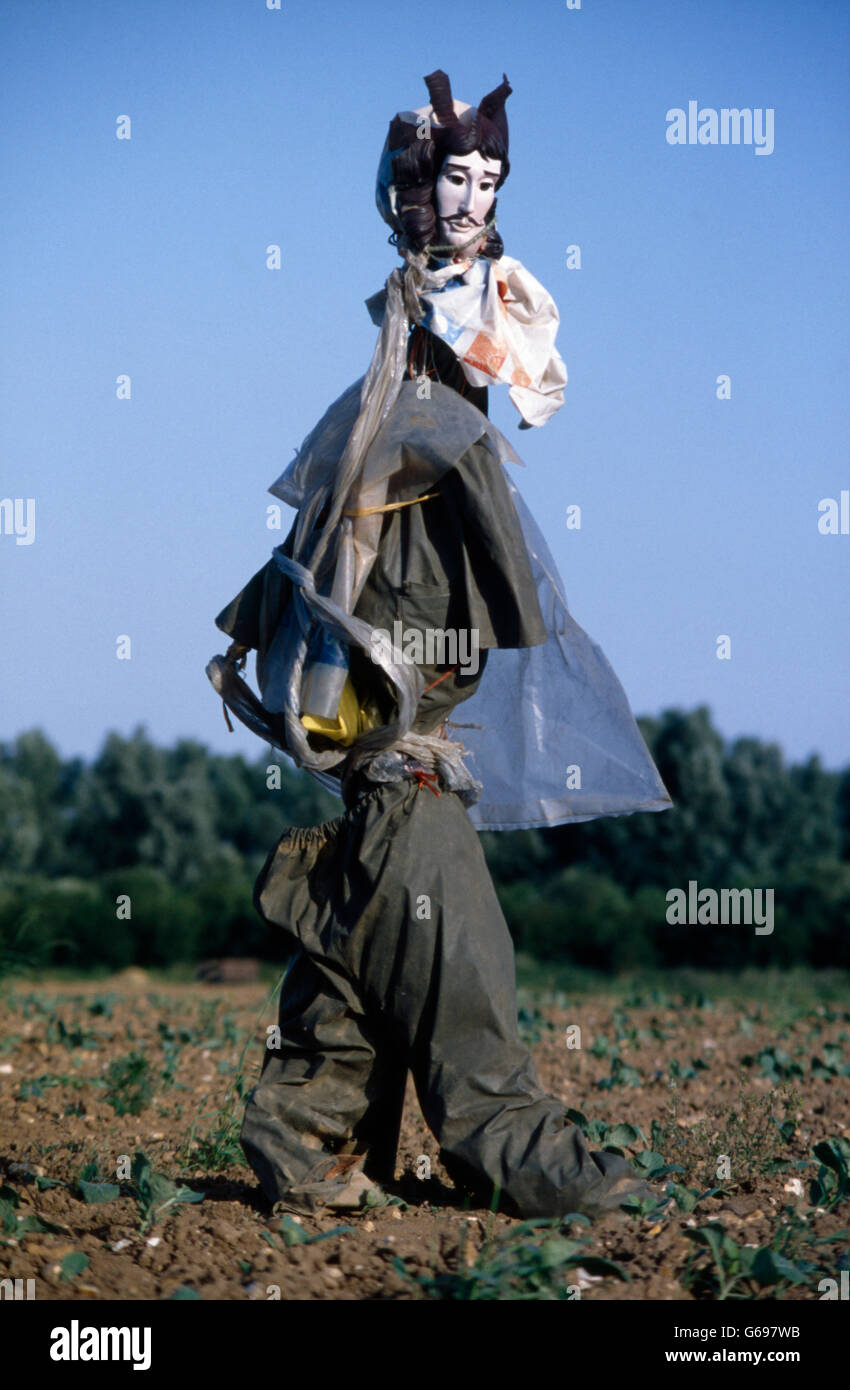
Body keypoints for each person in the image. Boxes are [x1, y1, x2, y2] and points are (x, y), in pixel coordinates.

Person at [207, 69, 672, 1219]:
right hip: (396, 600)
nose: (473, 195)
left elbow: (530, 384)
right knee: (445, 914)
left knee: (375, 891)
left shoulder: (479, 302)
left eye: (490, 179)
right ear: (418, 188)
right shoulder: (400, 350)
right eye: (455, 176)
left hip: (418, 527)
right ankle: (514, 1150)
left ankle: (311, 1138)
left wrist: (470, 302)